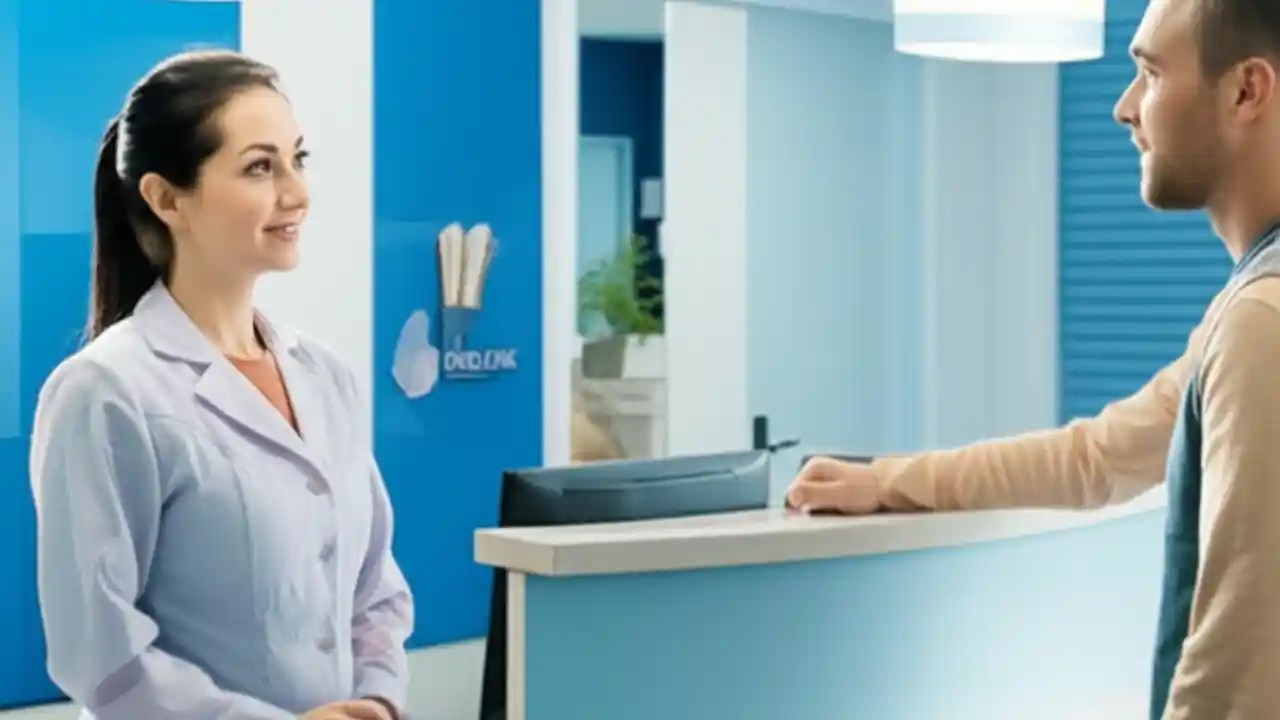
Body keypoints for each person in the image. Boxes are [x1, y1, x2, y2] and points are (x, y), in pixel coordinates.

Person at [787, 0, 1280, 717]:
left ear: (1247, 91)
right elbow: (1100, 457)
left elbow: (1241, 660)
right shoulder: (1247, 310)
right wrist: (889, 480)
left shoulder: (1261, 324)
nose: (1123, 109)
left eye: (1148, 72)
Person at [27, 50, 414, 720]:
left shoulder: (326, 378)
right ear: (165, 197)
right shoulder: (106, 391)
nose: (297, 192)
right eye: (260, 167)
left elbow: (373, 586)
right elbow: (100, 655)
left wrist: (377, 700)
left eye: (299, 158)